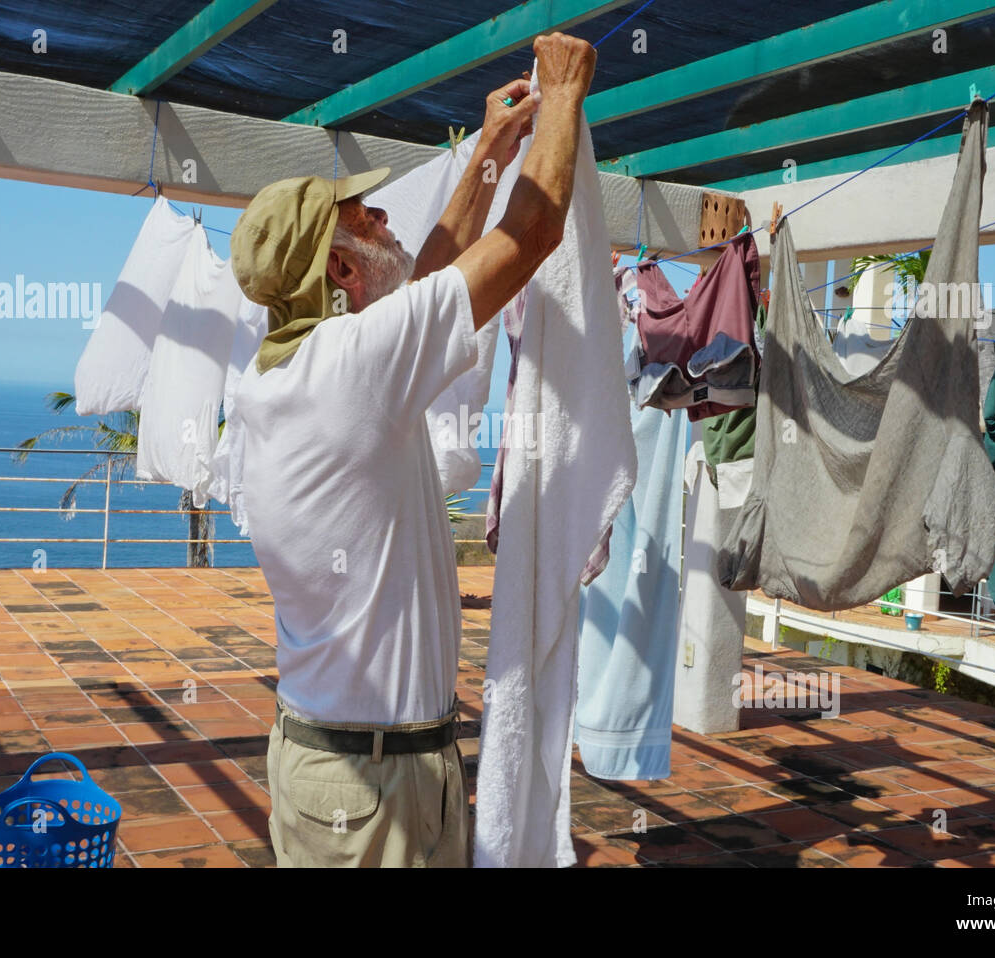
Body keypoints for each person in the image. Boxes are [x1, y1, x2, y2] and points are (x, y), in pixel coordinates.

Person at [228, 32, 597, 867]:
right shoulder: (352, 368)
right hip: (368, 787)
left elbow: (425, 279)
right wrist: (565, 96)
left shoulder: (294, 370)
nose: (388, 218)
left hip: (360, 766)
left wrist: (488, 157)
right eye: (366, 219)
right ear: (340, 273)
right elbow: (531, 235)